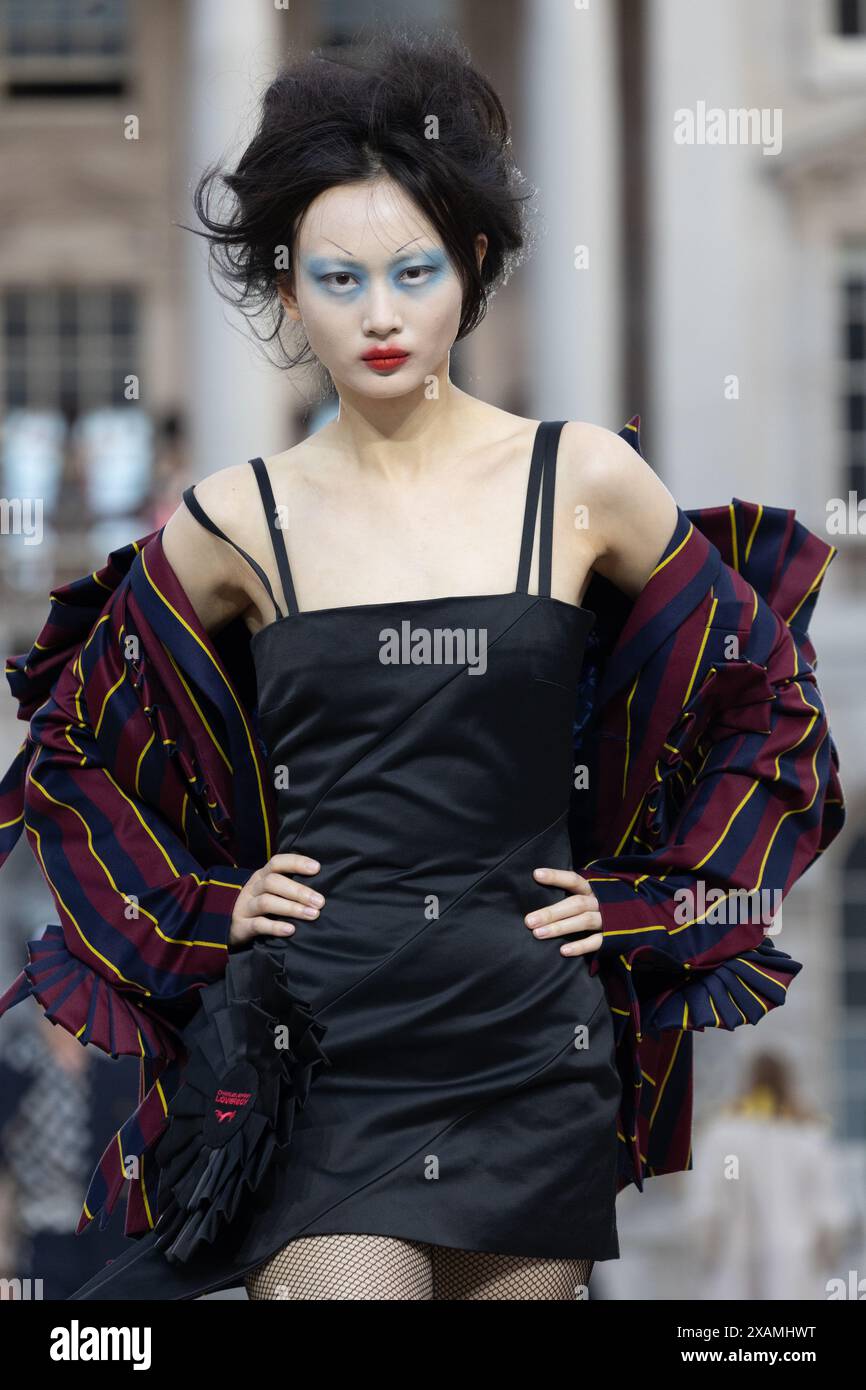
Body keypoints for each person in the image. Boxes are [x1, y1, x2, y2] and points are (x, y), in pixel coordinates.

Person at [0, 26, 845, 1302]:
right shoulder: (239, 515)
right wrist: (197, 900)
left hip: (526, 1040)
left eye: (414, 270)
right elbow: (72, 730)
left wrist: (649, 901)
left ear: (478, 264)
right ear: (288, 292)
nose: (379, 315)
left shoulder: (583, 481)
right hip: (325, 1046)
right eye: (337, 279)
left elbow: (765, 700)